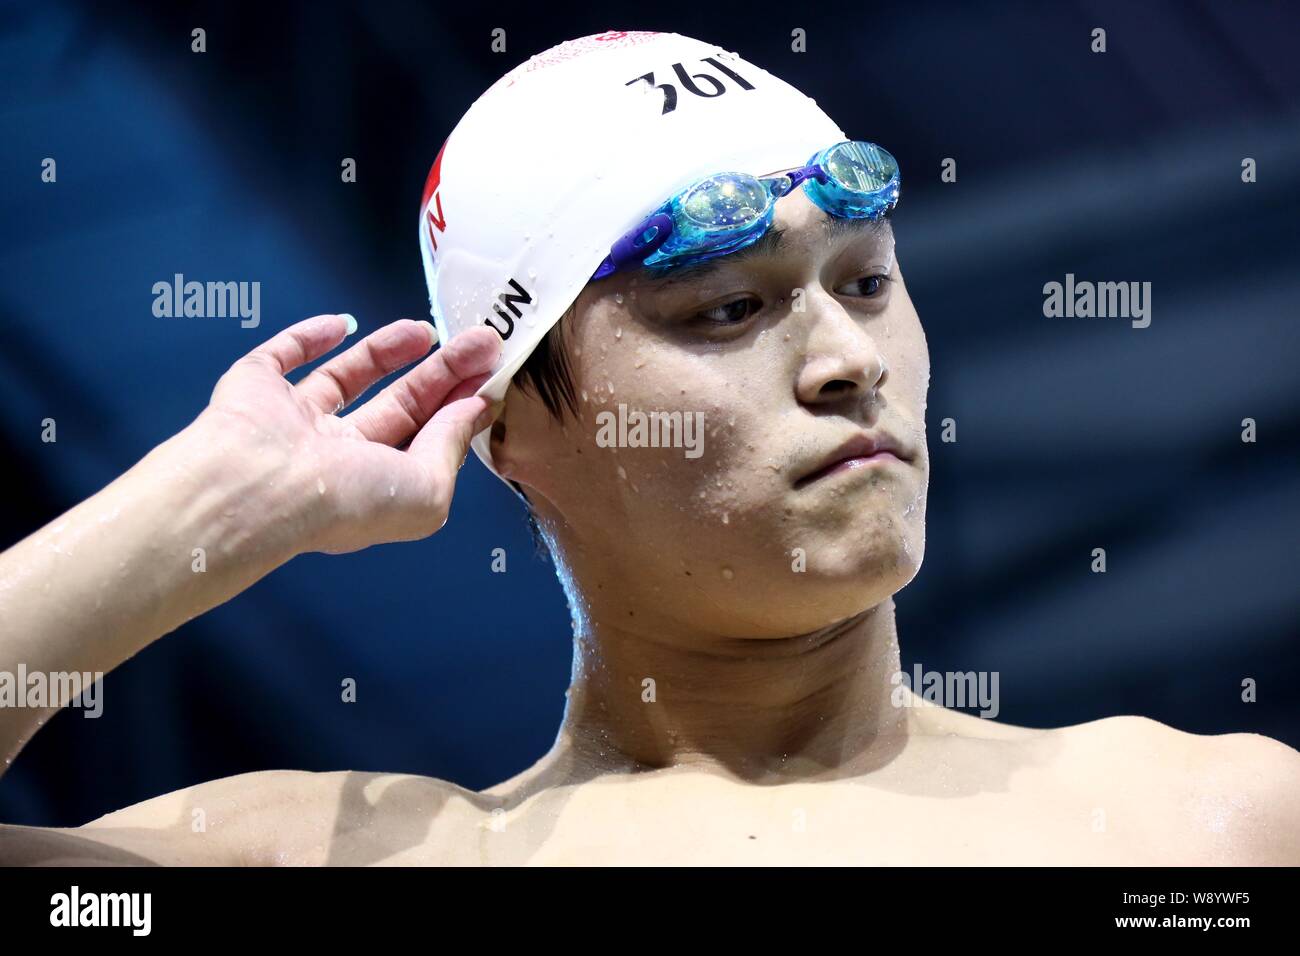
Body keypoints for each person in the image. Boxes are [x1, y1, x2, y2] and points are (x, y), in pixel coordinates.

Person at [1, 31, 1296, 866]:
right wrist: (208, 506)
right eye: (726, 310)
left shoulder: (1213, 829)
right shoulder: (364, 860)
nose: (849, 359)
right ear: (508, 430)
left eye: (865, 280)